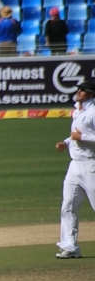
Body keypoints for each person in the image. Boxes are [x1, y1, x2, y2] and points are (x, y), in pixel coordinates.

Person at [54, 81, 95, 259]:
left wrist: (81, 137)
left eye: (83, 90)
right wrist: (67, 142)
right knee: (68, 204)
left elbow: (82, 135)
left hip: (91, 165)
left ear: (92, 94)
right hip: (75, 165)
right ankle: (70, 246)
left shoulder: (93, 112)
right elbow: (75, 134)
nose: (79, 92)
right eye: (79, 89)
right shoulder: (78, 110)